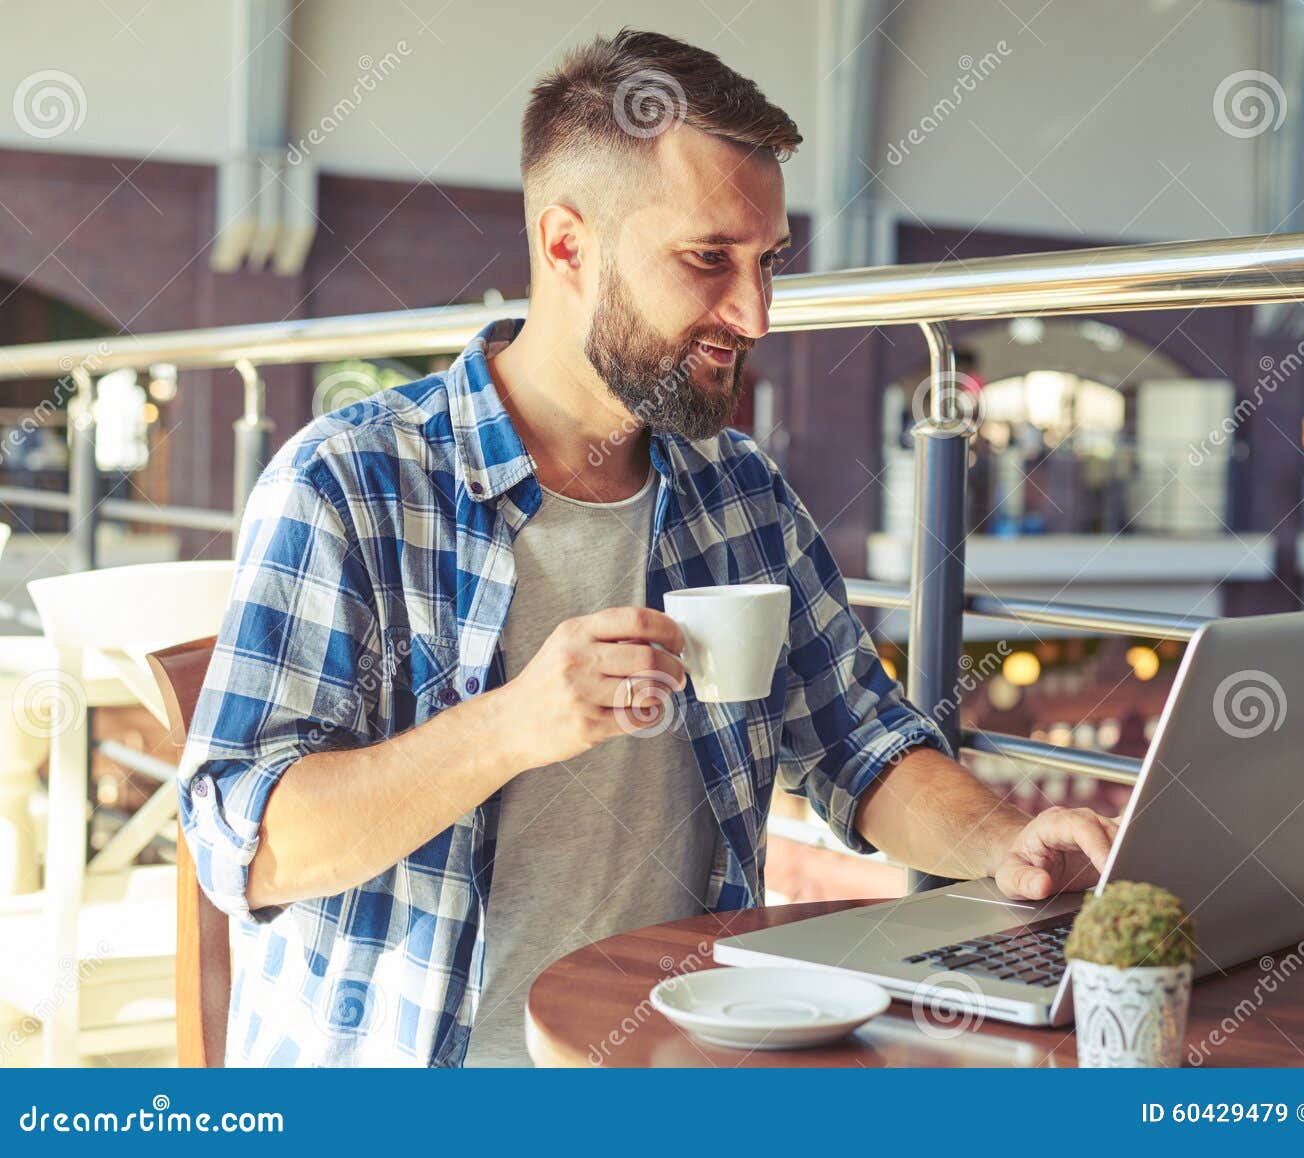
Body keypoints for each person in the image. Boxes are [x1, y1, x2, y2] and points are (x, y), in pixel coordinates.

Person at [178, 28, 1118, 1067]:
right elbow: (244, 844)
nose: (754, 313)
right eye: (708, 259)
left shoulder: (739, 492)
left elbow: (859, 741)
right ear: (568, 245)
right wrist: (510, 727)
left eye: (765, 265)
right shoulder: (351, 482)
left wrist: (1000, 843)